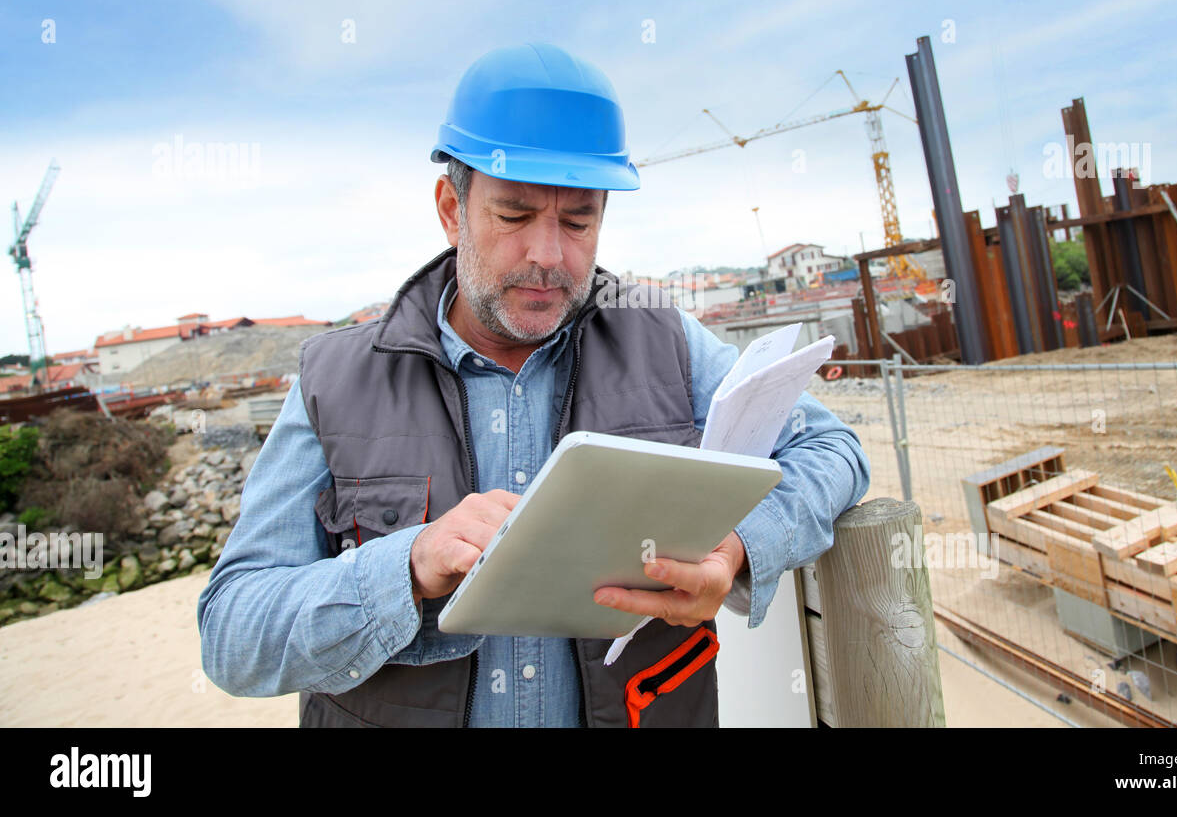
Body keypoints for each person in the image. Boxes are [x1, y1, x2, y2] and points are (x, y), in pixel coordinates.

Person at [196, 43, 871, 727]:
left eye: (578, 221)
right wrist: (407, 565)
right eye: (514, 215)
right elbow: (232, 634)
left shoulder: (666, 339)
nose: (548, 256)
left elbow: (833, 450)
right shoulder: (332, 379)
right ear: (450, 209)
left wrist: (737, 548)